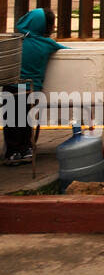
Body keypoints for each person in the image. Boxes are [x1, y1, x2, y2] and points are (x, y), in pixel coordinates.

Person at [3, 8, 64, 165]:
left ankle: (13, 152)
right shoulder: (48, 44)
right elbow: (70, 52)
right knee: (25, 120)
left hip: (10, 87)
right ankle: (26, 148)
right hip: (31, 89)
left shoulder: (16, 41)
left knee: (11, 121)